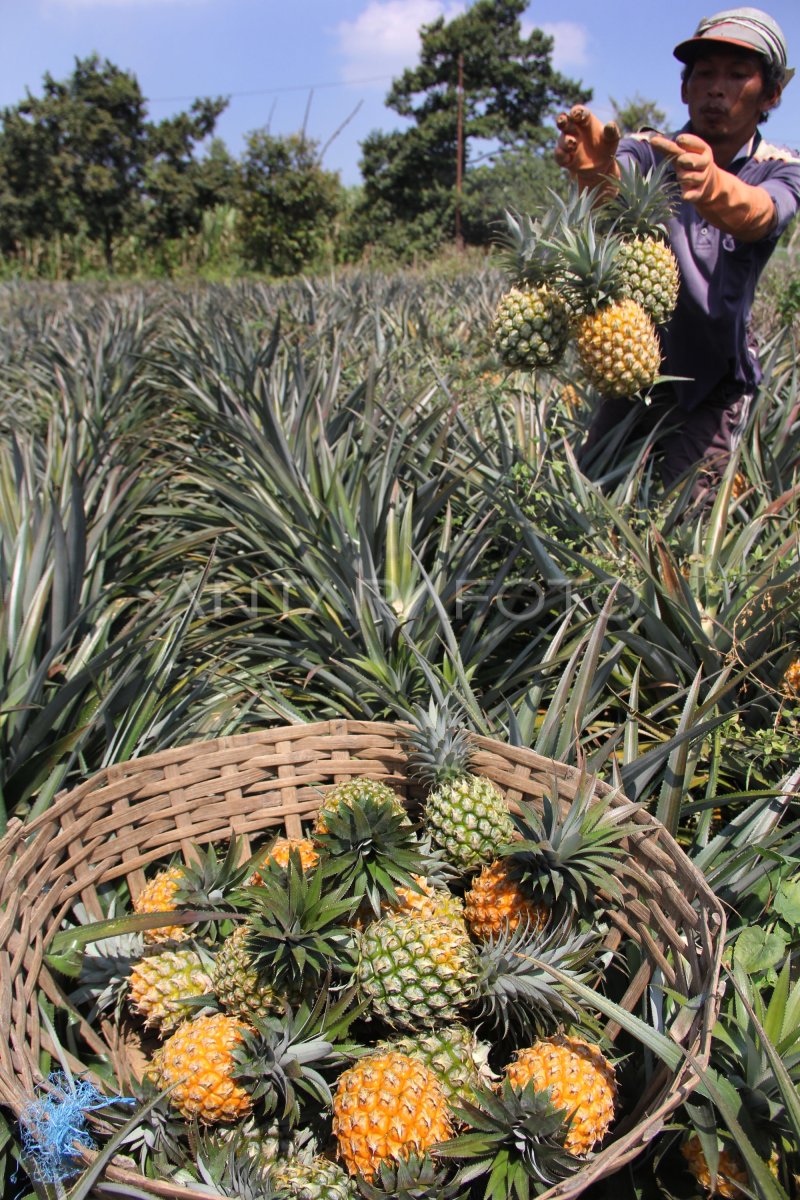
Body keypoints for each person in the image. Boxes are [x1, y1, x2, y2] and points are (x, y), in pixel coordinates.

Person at [554, 7, 800, 500]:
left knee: (687, 514)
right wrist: (594, 173)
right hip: (632, 363)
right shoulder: (649, 149)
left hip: (716, 380)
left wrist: (712, 187)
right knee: (591, 498)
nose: (716, 88)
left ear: (770, 94)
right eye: (704, 73)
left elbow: (759, 213)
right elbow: (614, 180)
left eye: (737, 74)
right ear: (684, 89)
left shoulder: (782, 167)